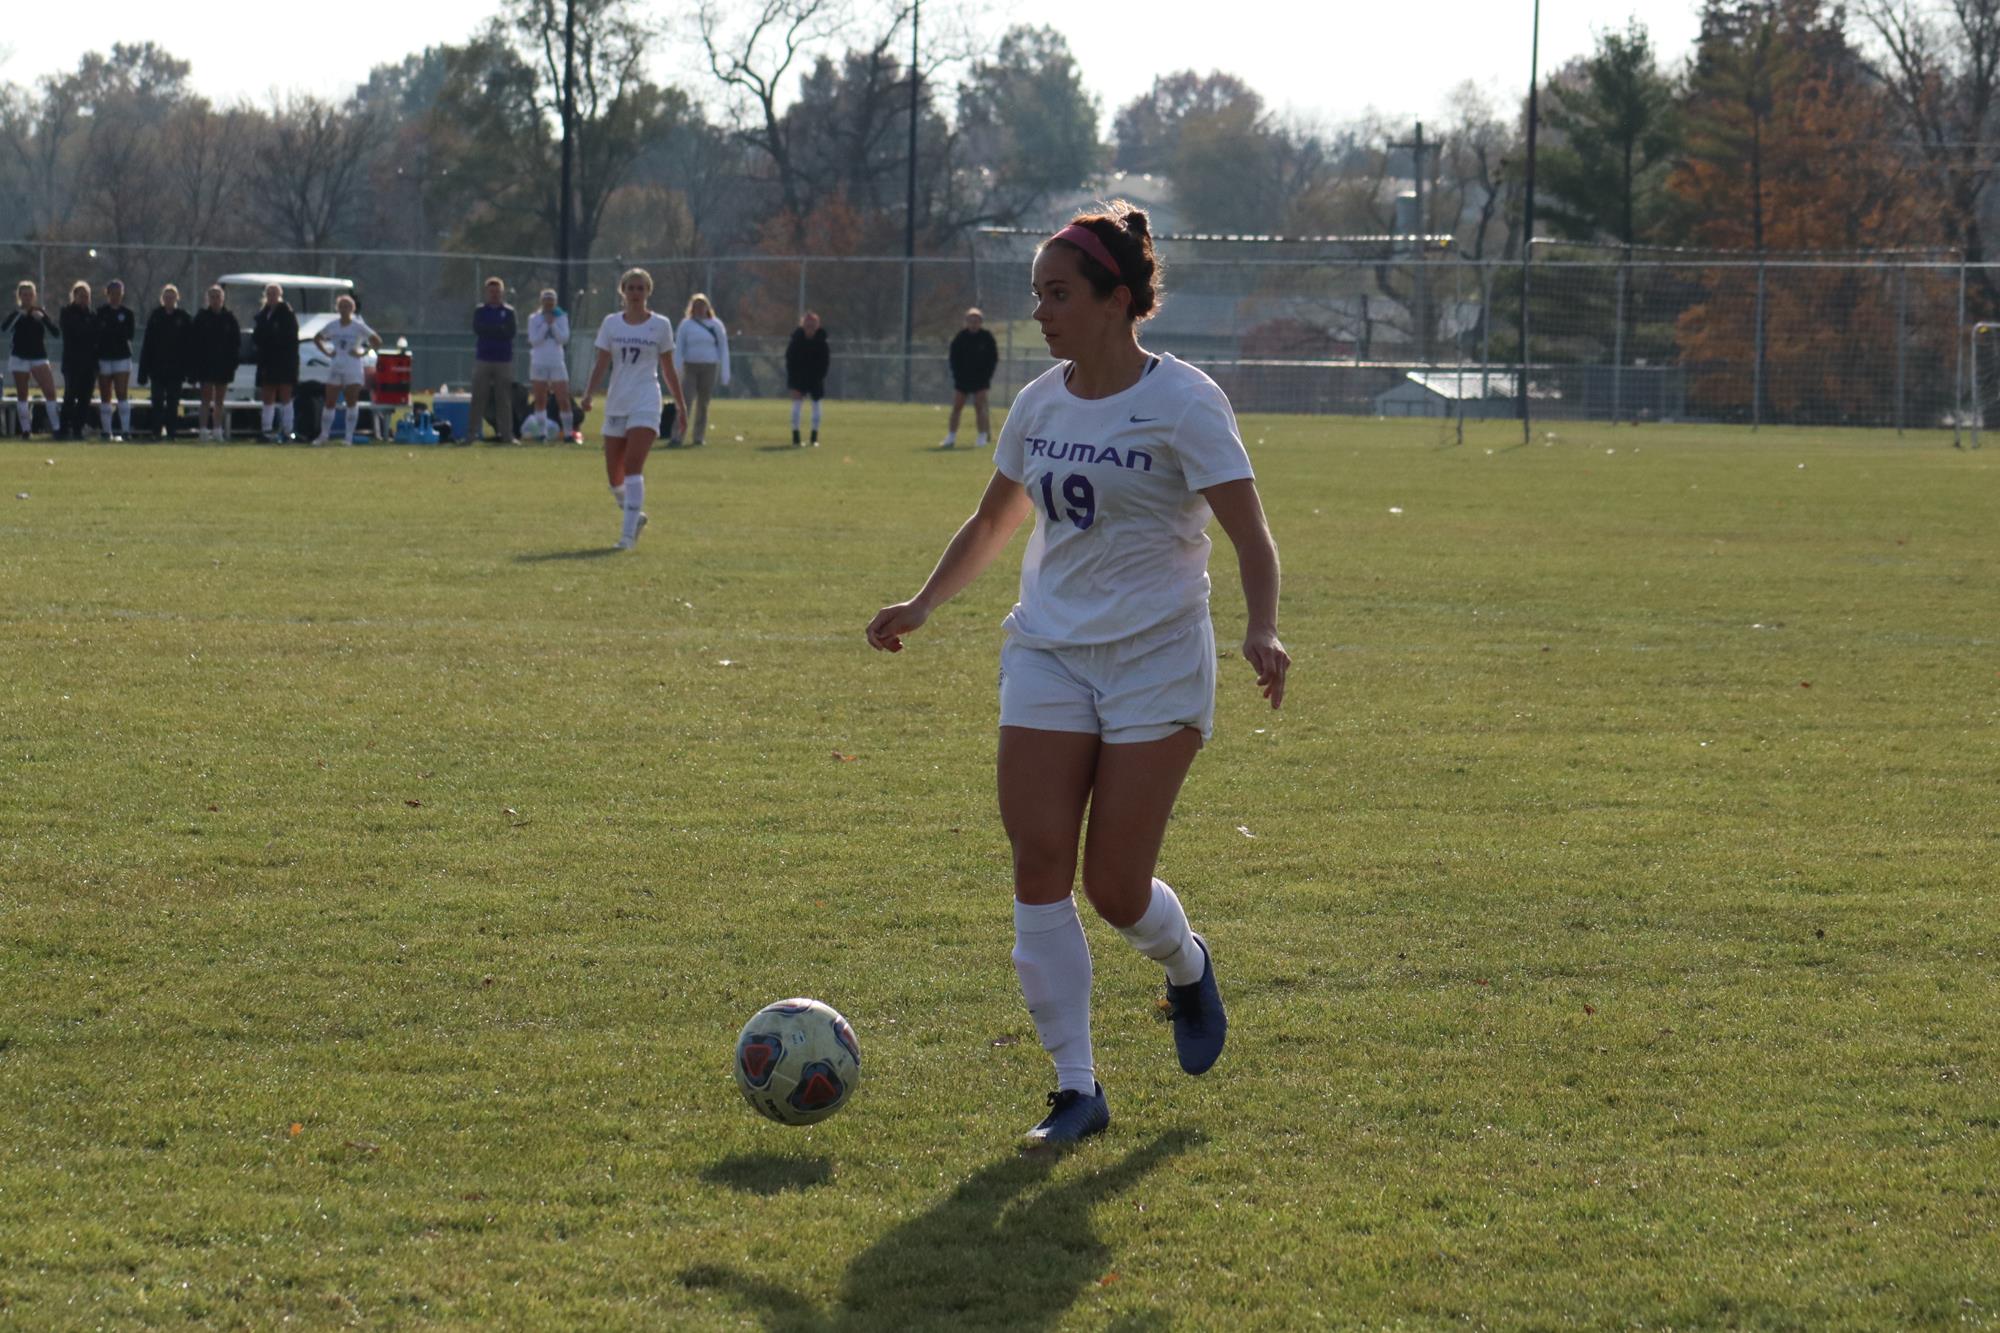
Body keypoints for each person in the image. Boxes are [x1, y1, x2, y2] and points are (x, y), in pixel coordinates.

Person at [864, 203, 1289, 1148]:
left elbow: (1248, 532)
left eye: (1059, 294)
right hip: (1050, 651)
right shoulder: (1040, 402)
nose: (1042, 312)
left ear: (1116, 300)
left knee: (1115, 886)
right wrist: (924, 604)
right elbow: (992, 523)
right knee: (1039, 860)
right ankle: (1075, 1089)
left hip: (1156, 662)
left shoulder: (1185, 399)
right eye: (1037, 295)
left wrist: (1262, 627)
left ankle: (1185, 964)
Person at [578, 268, 688, 551]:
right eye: (631, 288)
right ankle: (635, 517)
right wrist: (589, 393)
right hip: (618, 400)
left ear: (648, 292)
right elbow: (601, 362)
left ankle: (626, 538)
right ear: (623, 292)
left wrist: (681, 404)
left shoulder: (660, 325)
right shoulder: (612, 324)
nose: (636, 294)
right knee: (614, 478)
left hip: (645, 400)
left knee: (633, 467)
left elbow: (667, 368)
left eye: (641, 288)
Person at [312, 294, 381, 445]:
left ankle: (348, 437)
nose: (344, 309)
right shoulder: (333, 325)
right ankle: (324, 435)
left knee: (351, 401)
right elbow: (317, 338)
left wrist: (362, 352)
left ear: (352, 308)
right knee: (330, 400)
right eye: (341, 306)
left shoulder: (358, 326)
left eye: (347, 306)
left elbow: (376, 340)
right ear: (337, 308)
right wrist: (327, 353)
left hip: (353, 366)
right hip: (337, 365)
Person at [4, 281, 62, 437]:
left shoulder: (40, 312)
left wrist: (42, 319)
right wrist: (18, 316)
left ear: (34, 296)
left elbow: (55, 332)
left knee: (50, 392)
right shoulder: (16, 314)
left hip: (38, 357)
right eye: (24, 295)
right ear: (20, 296)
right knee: (22, 394)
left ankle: (56, 428)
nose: (27, 298)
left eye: (30, 295)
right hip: (19, 357)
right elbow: (4, 329)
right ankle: (25, 429)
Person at [137, 284, 194, 440]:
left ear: (177, 298)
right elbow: (147, 345)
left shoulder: (183, 317)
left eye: (172, 297)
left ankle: (171, 433)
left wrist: (190, 371)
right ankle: (156, 432)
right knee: (157, 401)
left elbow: (190, 346)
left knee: (173, 403)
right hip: (157, 368)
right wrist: (143, 371)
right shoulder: (155, 316)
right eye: (166, 297)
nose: (169, 300)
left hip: (176, 369)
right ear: (162, 299)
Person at [674, 292, 730, 447]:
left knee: (703, 403)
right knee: (685, 400)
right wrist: (677, 369)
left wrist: (725, 373)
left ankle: (698, 437)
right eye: (696, 306)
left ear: (707, 307)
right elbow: (679, 348)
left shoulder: (716, 325)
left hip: (709, 366)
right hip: (690, 366)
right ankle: (677, 435)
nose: (700, 309)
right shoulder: (686, 325)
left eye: (702, 306)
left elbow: (723, 348)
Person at [942, 307, 999, 449]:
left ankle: (982, 437)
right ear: (966, 322)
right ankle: (951, 436)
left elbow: (993, 358)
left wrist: (987, 376)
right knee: (957, 407)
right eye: (971, 320)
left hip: (981, 380)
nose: (973, 323)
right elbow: (953, 358)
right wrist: (957, 375)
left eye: (976, 321)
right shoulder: (960, 337)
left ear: (980, 322)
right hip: (962, 380)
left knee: (980, 407)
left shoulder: (986, 337)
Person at [470, 276, 517, 443]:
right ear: (486, 293)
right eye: (491, 292)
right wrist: (498, 330)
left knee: (503, 399)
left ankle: (506, 435)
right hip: (483, 359)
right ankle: (472, 435)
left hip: (503, 360)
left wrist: (493, 330)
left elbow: (510, 332)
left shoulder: (509, 312)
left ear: (502, 293)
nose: (494, 295)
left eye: (497, 291)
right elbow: (479, 329)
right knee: (478, 397)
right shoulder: (480, 311)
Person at [191, 285, 240, 441]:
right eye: (212, 296)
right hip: (205, 365)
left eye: (218, 296)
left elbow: (235, 343)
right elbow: (194, 342)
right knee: (205, 399)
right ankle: (203, 430)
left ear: (222, 298)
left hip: (223, 366)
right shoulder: (201, 317)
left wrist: (232, 364)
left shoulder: (230, 318)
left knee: (219, 400)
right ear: (208, 299)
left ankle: (218, 430)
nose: (215, 299)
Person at [252, 283, 299, 442]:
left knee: (286, 395)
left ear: (280, 295)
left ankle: (288, 431)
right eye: (269, 293)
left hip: (284, 361)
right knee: (267, 395)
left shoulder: (287, 313)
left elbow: (290, 338)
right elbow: (257, 337)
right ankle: (266, 430)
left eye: (275, 293)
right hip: (267, 361)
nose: (271, 296)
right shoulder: (262, 314)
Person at [525, 289, 574, 443]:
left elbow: (563, 338)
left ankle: (568, 433)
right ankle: (542, 433)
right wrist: (545, 325)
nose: (549, 304)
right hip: (539, 361)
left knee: (563, 398)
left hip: (556, 361)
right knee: (540, 398)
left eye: (551, 301)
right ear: (542, 302)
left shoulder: (562, 317)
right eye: (546, 301)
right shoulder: (534, 318)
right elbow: (534, 340)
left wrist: (553, 324)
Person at [96, 279, 137, 441]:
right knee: (105, 395)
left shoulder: (128, 314)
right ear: (108, 294)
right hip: (104, 357)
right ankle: (106, 431)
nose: (116, 297)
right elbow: (99, 334)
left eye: (119, 294)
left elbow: (129, 335)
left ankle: (125, 430)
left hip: (122, 357)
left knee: (122, 393)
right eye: (113, 293)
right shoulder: (100, 312)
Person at [785, 310, 829, 447]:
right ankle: (796, 438)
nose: (810, 326)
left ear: (817, 325)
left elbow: (825, 362)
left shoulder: (822, 342)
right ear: (803, 324)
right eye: (807, 323)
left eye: (813, 323)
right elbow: (789, 361)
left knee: (816, 407)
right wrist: (792, 382)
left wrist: (819, 378)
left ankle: (814, 438)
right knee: (797, 407)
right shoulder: (796, 341)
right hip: (799, 377)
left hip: (816, 378)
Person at [58, 283, 97, 440]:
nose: (84, 299)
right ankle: (63, 428)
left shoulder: (92, 315)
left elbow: (95, 336)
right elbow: (73, 332)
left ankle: (78, 429)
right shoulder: (66, 312)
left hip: (89, 363)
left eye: (87, 296)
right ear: (74, 296)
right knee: (70, 396)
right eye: (81, 296)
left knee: (85, 398)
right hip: (72, 362)